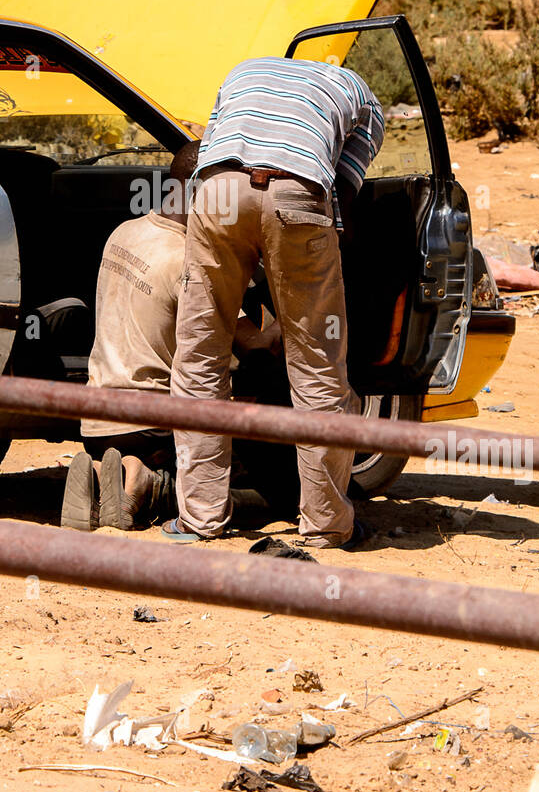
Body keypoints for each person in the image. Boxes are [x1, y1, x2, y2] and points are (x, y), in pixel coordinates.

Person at [165, 56, 384, 549]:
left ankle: (199, 521)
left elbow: (207, 155)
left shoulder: (242, 71)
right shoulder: (364, 101)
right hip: (298, 188)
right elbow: (340, 196)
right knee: (317, 366)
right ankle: (326, 524)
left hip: (217, 193)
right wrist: (302, 268)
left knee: (199, 357)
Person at [61, 140, 279, 531]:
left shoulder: (123, 232)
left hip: (95, 418)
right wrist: (287, 321)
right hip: (152, 424)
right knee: (251, 406)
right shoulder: (192, 262)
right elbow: (252, 345)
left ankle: (100, 469)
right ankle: (143, 480)